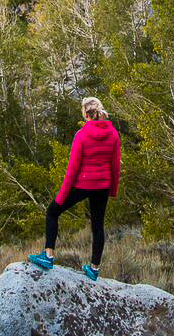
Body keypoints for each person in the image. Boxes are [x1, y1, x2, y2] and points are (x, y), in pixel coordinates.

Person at [27, 96, 120, 281]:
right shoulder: (113, 134)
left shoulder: (81, 135)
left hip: (83, 183)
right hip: (102, 185)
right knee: (98, 226)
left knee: (52, 212)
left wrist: (61, 196)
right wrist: (113, 190)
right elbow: (115, 166)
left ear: (85, 114)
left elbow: (72, 169)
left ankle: (48, 256)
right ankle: (94, 268)